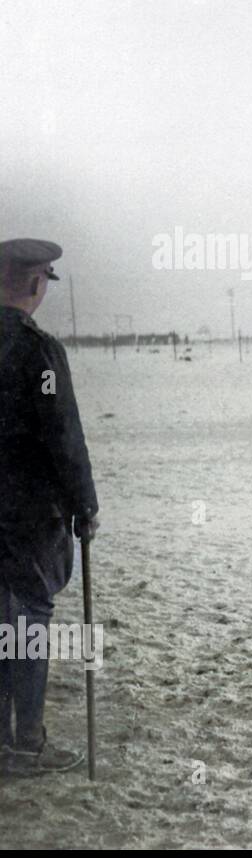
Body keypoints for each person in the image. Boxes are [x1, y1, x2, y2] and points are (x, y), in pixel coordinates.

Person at [0, 239, 97, 774]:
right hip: (30, 514)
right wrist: (85, 504)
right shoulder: (39, 353)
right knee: (30, 620)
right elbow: (63, 434)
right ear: (38, 284)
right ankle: (26, 743)